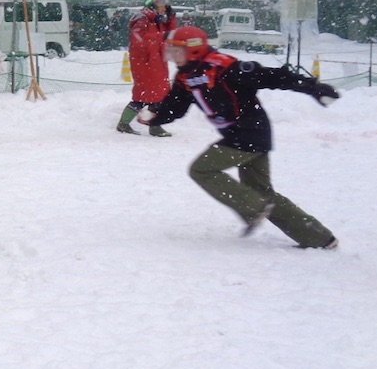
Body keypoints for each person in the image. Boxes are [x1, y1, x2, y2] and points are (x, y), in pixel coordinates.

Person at [139, 25, 340, 249]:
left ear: (194, 49)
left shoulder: (224, 67)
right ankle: (320, 239)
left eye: (177, 51)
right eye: (170, 51)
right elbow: (176, 106)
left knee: (201, 170)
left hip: (247, 133)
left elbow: (271, 77)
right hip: (248, 135)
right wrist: (155, 117)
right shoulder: (186, 76)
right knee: (262, 192)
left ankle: (254, 207)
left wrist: (313, 87)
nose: (172, 57)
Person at [118, 0, 177, 135]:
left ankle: (153, 126)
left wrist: (171, 18)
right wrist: (160, 36)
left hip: (157, 63)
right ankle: (126, 124)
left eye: (165, 5)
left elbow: (170, 34)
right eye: (161, 5)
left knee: (159, 96)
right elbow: (139, 40)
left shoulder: (158, 20)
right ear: (152, 6)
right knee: (143, 96)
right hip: (145, 64)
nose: (164, 8)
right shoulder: (142, 19)